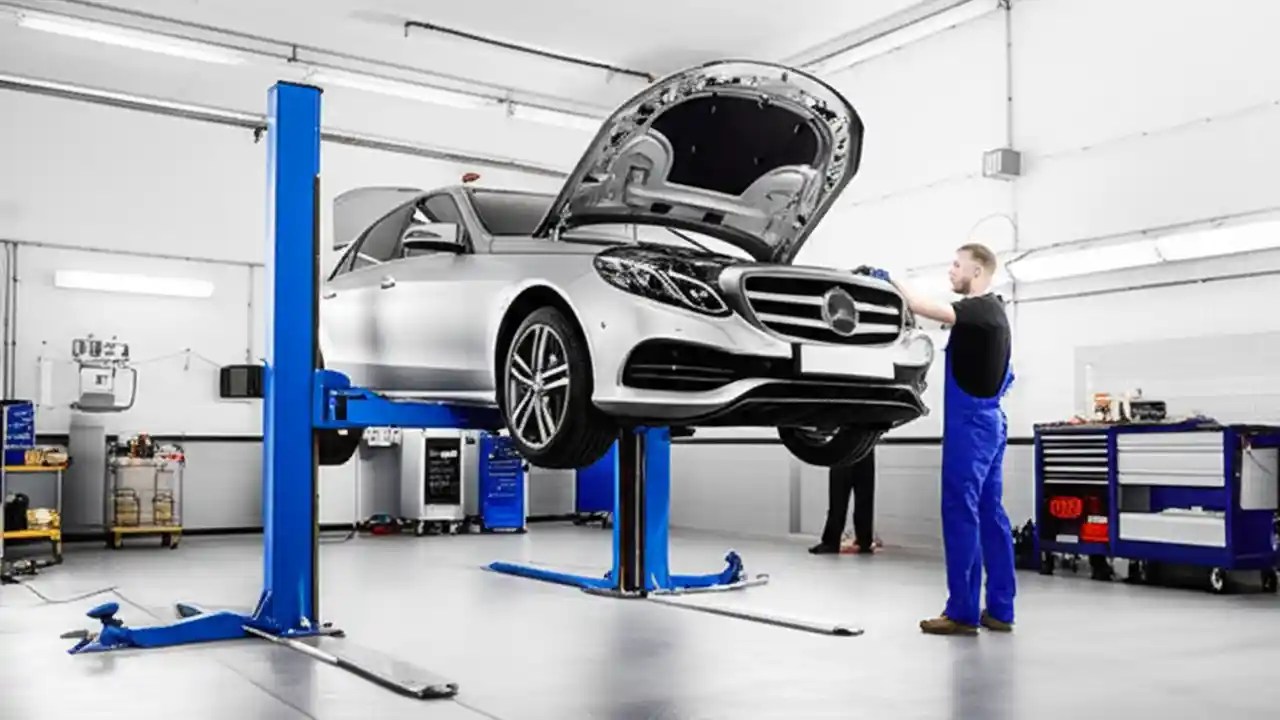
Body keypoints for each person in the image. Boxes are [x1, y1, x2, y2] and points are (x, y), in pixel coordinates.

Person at [889, 242, 1016, 636]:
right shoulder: (995, 315)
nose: (951, 271)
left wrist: (892, 282)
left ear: (977, 272)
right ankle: (1000, 610)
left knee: (960, 513)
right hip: (991, 421)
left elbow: (932, 310)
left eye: (957, 265)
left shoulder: (978, 309)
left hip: (972, 426)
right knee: (990, 515)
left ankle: (961, 612)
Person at [809, 448, 876, 555]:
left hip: (844, 449)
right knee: (863, 499)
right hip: (863, 447)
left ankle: (831, 542)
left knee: (838, 498)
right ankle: (864, 542)